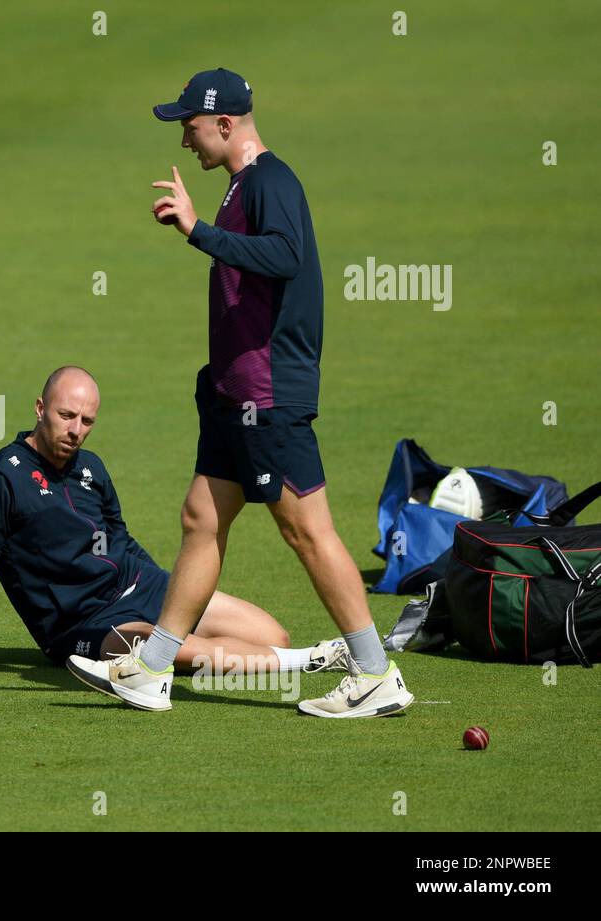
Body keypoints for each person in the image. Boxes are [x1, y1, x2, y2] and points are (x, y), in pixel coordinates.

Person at [79, 69, 413, 716]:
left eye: (191, 126)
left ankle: (374, 673)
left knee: (308, 532)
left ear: (226, 124)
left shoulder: (270, 182)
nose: (185, 140)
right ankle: (151, 670)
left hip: (269, 396)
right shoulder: (241, 186)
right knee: (201, 520)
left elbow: (284, 255)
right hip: (233, 396)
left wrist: (197, 231)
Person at [0, 367, 350, 691]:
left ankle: (216, 654)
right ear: (39, 408)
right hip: (85, 624)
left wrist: (166, 591)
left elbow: (121, 537)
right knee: (152, 644)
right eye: (66, 416)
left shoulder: (91, 467)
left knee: (272, 636)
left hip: (139, 586)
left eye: (87, 421)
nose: (76, 430)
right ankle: (314, 658)